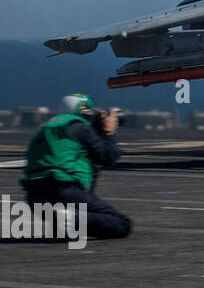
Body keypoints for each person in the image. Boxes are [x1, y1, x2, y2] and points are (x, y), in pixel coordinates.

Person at [21, 93, 131, 239]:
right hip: (62, 189)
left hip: (34, 197)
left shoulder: (47, 128)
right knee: (122, 224)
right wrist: (109, 132)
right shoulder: (80, 127)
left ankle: (64, 221)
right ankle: (71, 217)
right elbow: (108, 156)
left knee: (74, 226)